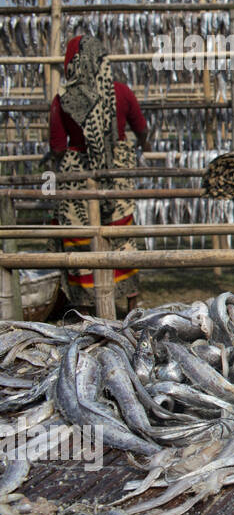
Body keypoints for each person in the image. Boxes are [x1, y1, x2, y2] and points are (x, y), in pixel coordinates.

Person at [47, 35, 151, 312]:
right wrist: (143, 147)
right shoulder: (121, 92)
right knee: (121, 235)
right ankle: (130, 301)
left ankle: (83, 304)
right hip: (117, 177)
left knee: (81, 237)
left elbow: (57, 147)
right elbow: (141, 128)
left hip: (78, 180)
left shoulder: (63, 99)